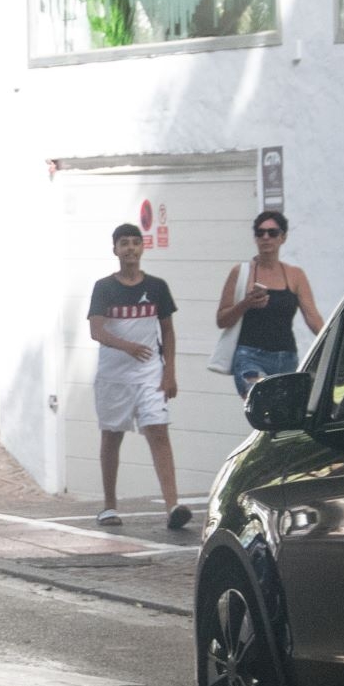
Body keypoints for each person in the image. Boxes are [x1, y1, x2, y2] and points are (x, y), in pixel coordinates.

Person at [88, 221, 189, 531]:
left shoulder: (157, 286)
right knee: (112, 435)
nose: (130, 248)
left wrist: (170, 372)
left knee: (158, 430)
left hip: (149, 372)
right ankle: (109, 506)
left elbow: (168, 331)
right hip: (114, 375)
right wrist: (127, 346)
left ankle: (173, 506)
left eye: (135, 242)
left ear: (142, 248)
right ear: (115, 250)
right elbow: (96, 330)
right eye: (124, 243)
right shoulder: (104, 287)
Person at [215, 208, 325, 399]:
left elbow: (312, 317)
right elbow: (222, 319)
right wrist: (246, 303)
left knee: (285, 411)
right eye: (260, 233)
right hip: (250, 356)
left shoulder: (295, 275)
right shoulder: (241, 273)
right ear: (255, 238)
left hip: (286, 357)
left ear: (283, 237)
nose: (266, 237)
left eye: (272, 233)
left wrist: (331, 340)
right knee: (261, 402)